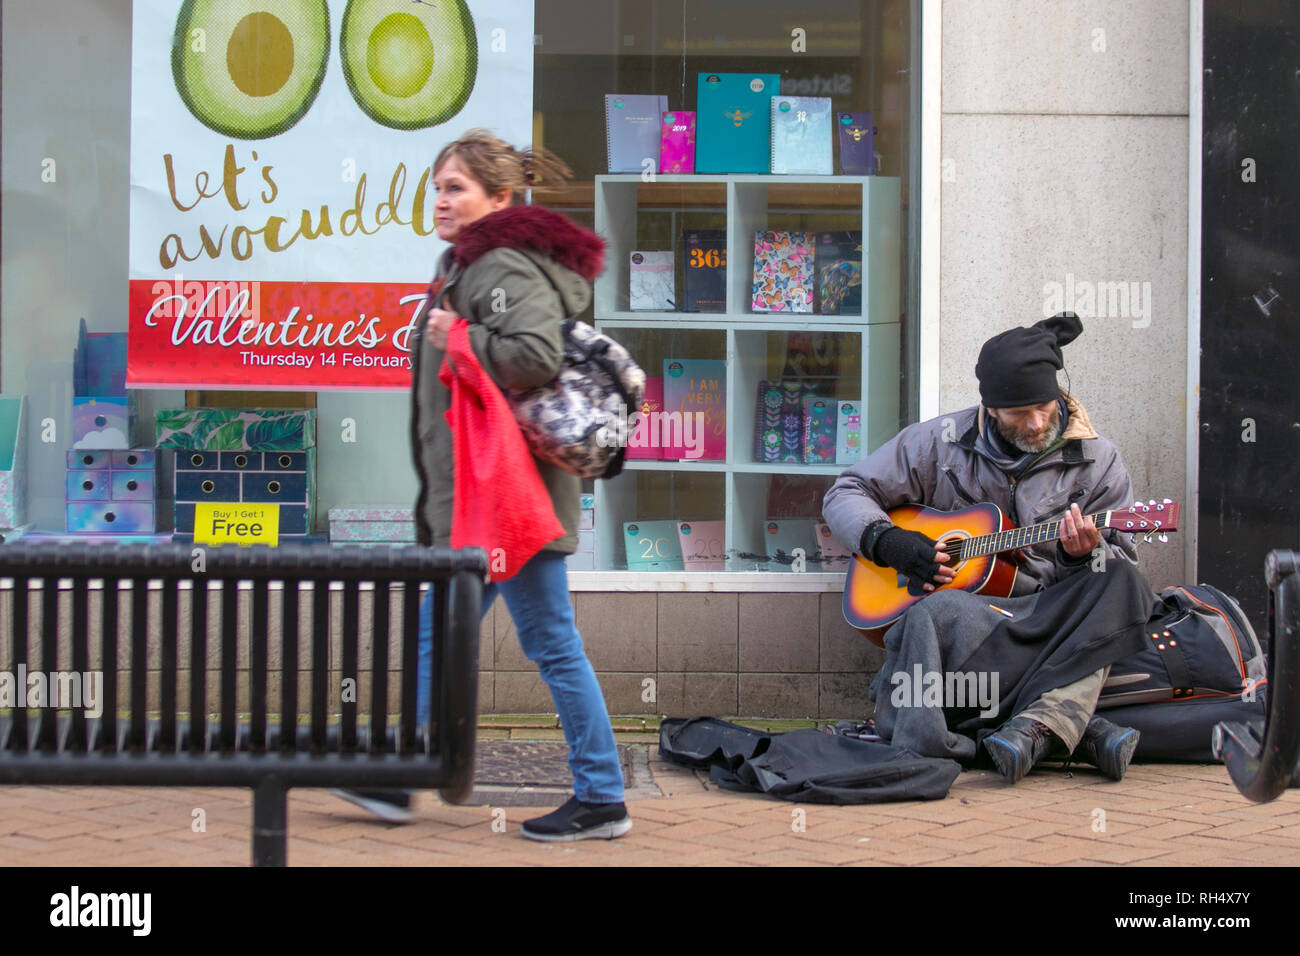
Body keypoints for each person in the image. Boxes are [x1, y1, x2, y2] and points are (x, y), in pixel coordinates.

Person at [335, 129, 631, 841]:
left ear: (499, 198)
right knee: (442, 634)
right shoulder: (466, 266)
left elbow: (534, 355)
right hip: (485, 500)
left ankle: (601, 795)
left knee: (549, 644)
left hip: (509, 504)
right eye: (437, 186)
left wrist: (458, 335)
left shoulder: (499, 265)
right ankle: (402, 779)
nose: (441, 199)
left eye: (456, 187)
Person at [823, 313, 1156, 783]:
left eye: (1045, 406)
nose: (1038, 422)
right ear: (990, 408)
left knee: (1123, 581)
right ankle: (1073, 728)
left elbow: (1121, 555)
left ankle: (1044, 727)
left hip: (1054, 615)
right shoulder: (938, 443)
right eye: (1020, 413)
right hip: (978, 620)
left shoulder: (1099, 460)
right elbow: (845, 492)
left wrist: (1081, 555)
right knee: (927, 618)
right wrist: (887, 541)